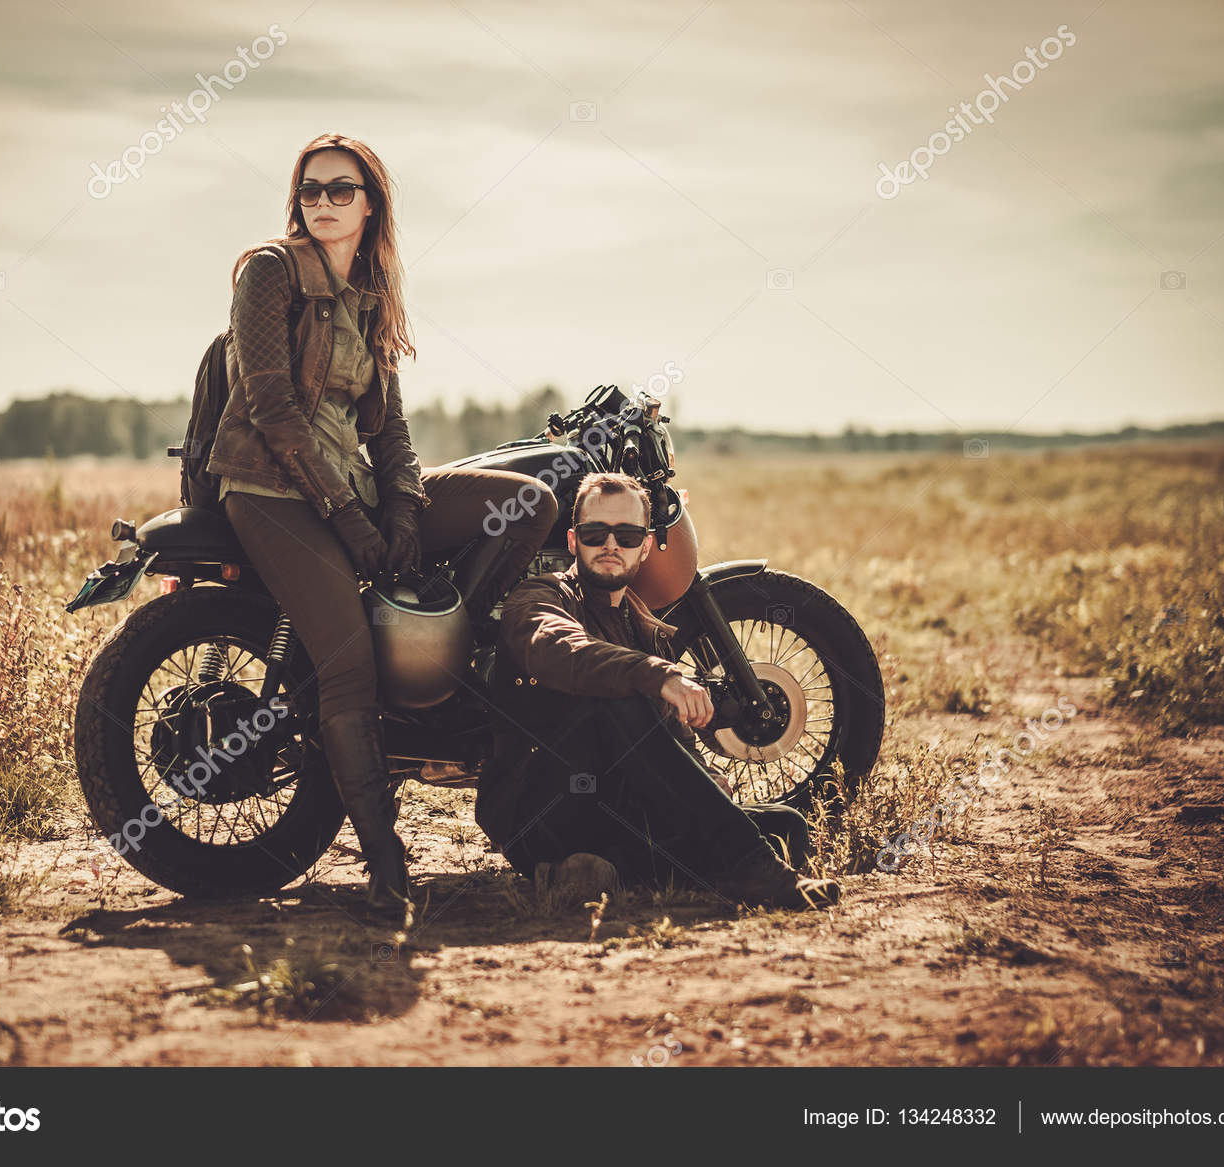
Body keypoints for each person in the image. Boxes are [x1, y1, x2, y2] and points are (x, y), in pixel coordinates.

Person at [206, 133, 557, 913]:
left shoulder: (370, 290)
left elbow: (389, 428)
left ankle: (445, 659)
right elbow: (271, 408)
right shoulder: (269, 272)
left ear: (371, 203)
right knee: (348, 671)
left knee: (530, 500)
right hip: (271, 490)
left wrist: (401, 508)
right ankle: (387, 863)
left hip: (355, 487)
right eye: (310, 190)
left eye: (340, 190)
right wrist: (347, 519)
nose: (322, 203)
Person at [476, 471, 840, 911]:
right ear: (574, 541)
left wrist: (704, 779)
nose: (611, 545)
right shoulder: (540, 597)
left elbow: (667, 736)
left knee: (789, 826)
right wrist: (657, 674)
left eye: (627, 535)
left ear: (645, 547)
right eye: (596, 533)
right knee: (620, 699)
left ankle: (608, 871)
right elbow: (561, 647)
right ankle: (751, 868)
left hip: (620, 809)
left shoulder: (643, 627)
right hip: (543, 808)